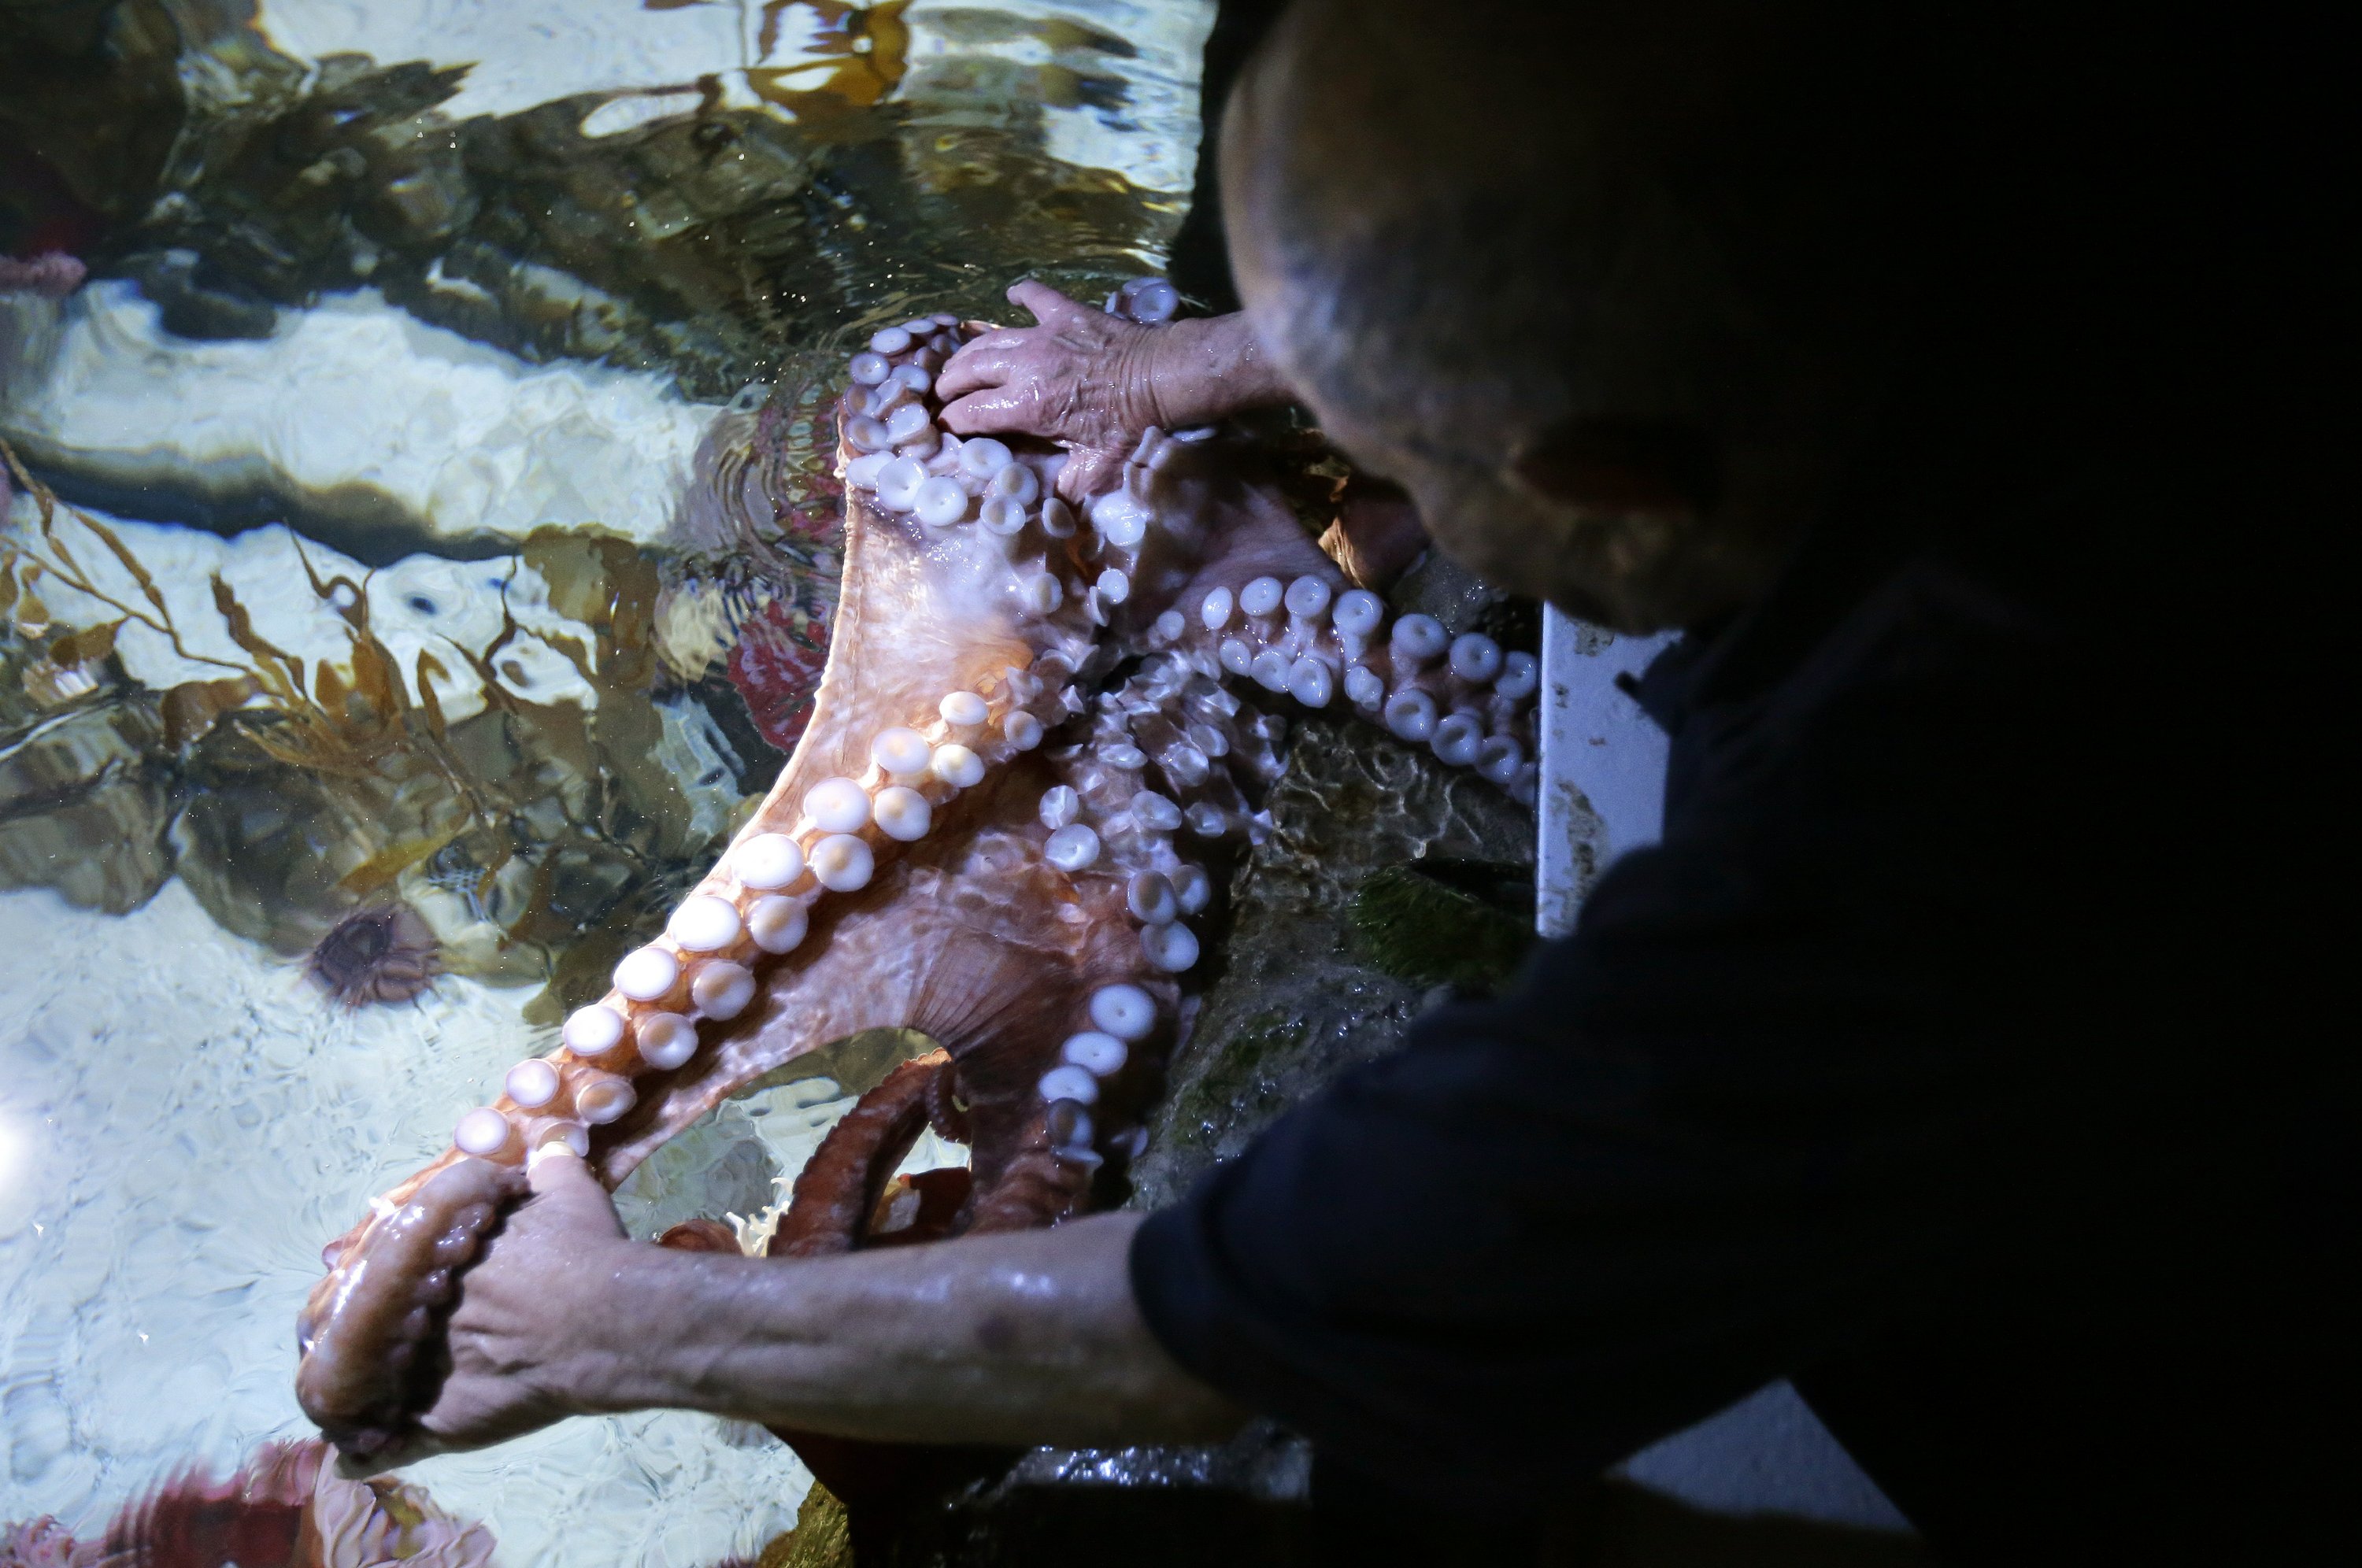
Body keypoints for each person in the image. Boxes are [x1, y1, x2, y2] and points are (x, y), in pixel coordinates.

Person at [373, 2, 2346, 1559]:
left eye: (1384, 460)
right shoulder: (2120, 153)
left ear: (1596, 486)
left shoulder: (1904, 868)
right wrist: (1172, 374)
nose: (1338, 509)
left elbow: (1286, 1304)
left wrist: (617, 1329)